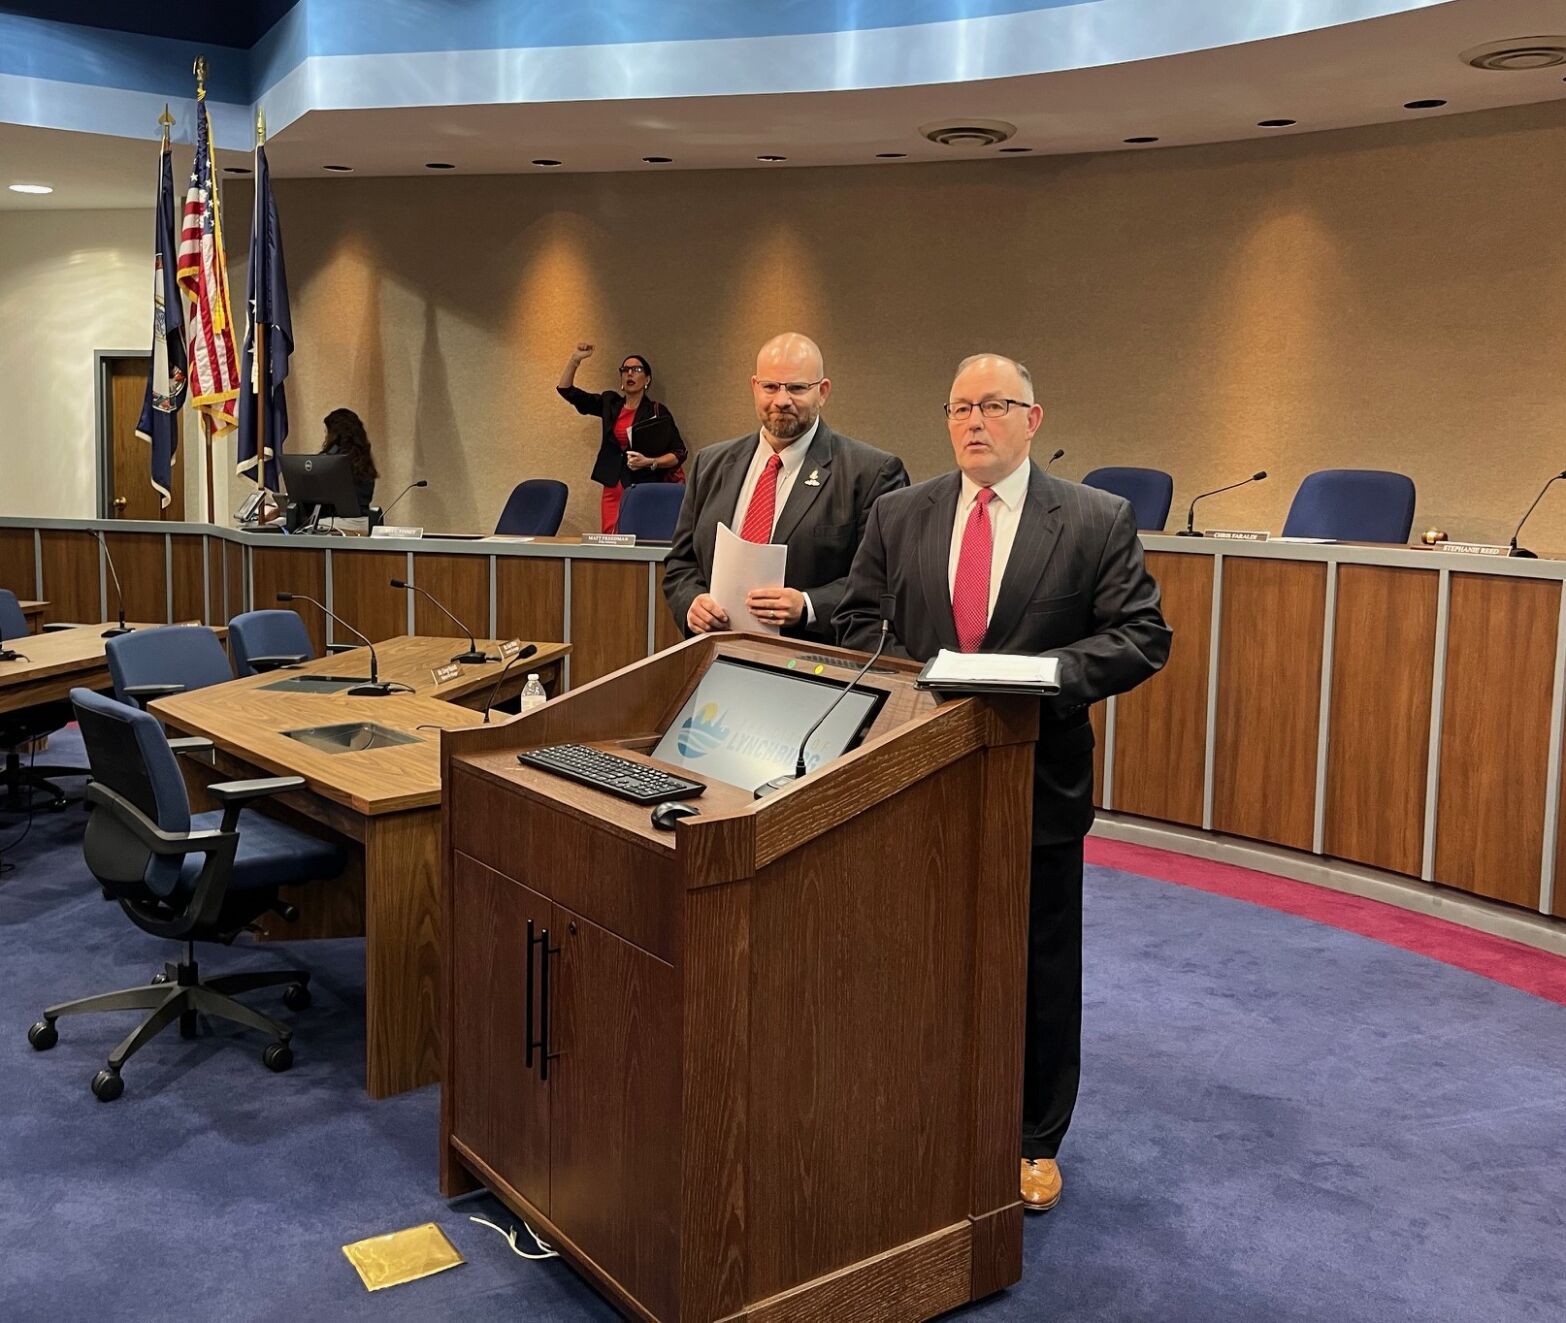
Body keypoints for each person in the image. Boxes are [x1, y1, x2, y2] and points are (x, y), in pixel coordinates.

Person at [833, 353, 1170, 1215]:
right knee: (912, 957)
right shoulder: (900, 512)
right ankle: (918, 1110)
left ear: (1034, 417)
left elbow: (1140, 636)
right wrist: (914, 680)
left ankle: (1032, 1138)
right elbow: (862, 618)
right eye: (958, 407)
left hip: (1036, 782)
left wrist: (1039, 674)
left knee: (1038, 965)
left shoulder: (1097, 518)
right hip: (913, 777)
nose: (973, 420)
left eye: (993, 405)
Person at [662, 332, 908, 644]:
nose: (781, 400)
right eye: (770, 387)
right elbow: (681, 563)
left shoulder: (871, 472)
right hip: (715, 658)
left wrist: (808, 605)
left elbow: (882, 581)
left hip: (812, 665)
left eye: (796, 388)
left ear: (822, 391)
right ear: (754, 387)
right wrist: (692, 603)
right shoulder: (710, 464)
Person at [557, 343, 687, 533]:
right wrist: (575, 360)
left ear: (647, 379)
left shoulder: (656, 411)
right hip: (612, 485)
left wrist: (650, 462)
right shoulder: (610, 403)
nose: (630, 374)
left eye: (636, 370)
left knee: (638, 537)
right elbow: (566, 390)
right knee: (610, 539)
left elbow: (679, 452)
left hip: (642, 487)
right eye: (625, 370)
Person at [319, 407, 378, 515]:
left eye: (328, 432)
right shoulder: (362, 459)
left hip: (342, 520)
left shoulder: (334, 461)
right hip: (358, 518)